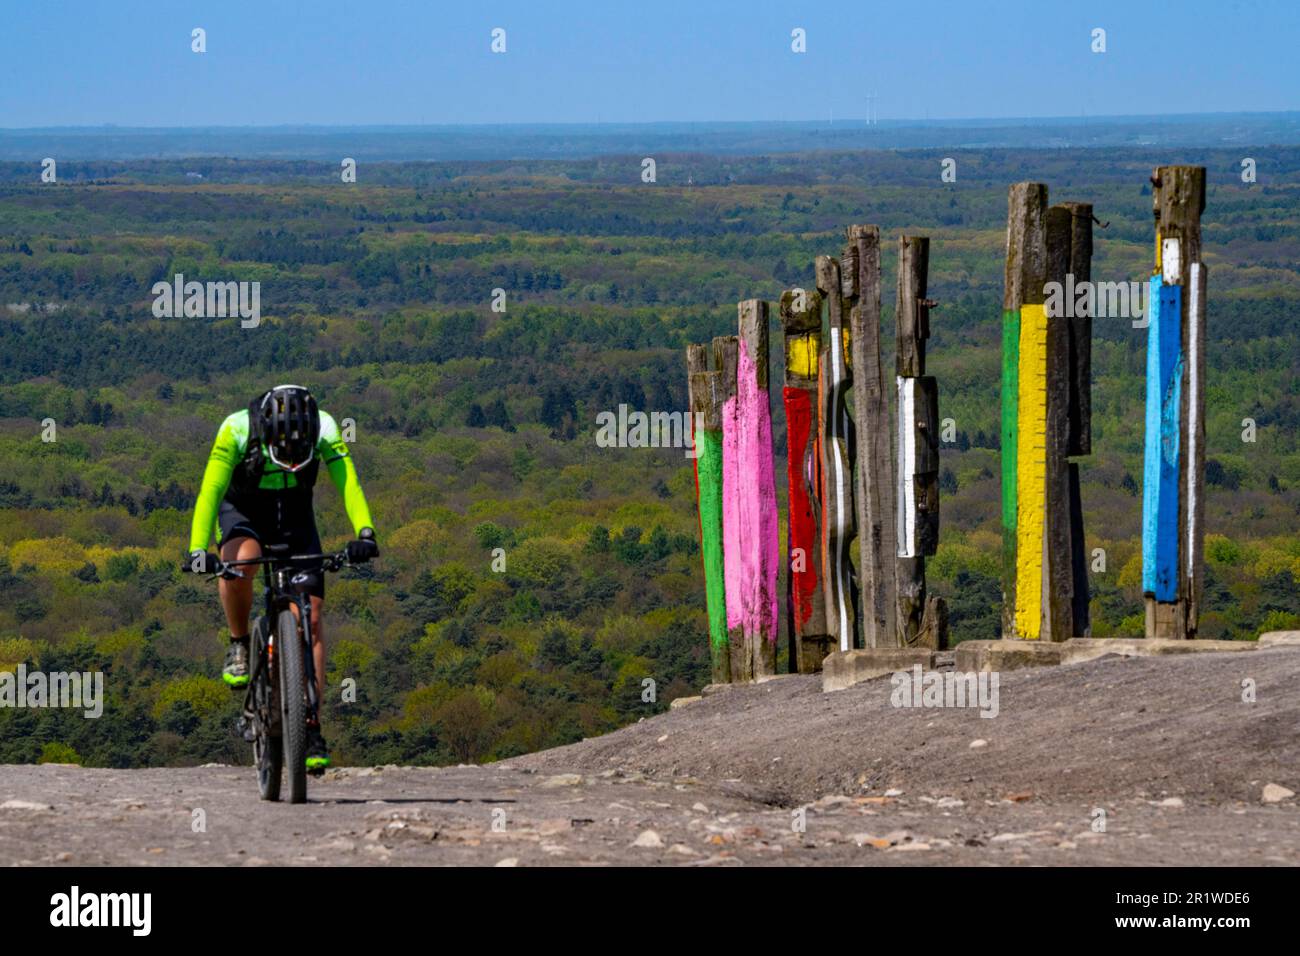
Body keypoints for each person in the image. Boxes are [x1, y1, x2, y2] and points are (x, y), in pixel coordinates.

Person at [182, 384, 378, 771]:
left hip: (294, 516)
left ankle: (310, 724)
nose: (290, 461)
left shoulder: (324, 428)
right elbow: (210, 490)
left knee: (313, 616)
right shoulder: (236, 429)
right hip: (242, 510)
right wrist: (196, 549)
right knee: (242, 564)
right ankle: (239, 643)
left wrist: (365, 533)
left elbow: (347, 481)